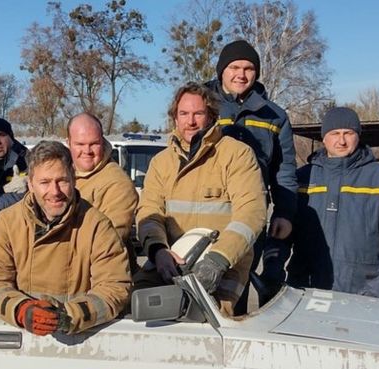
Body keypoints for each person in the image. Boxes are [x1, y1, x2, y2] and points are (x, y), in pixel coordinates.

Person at [135, 82, 266, 317]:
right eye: (183, 114)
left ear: (211, 116)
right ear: (175, 118)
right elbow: (148, 212)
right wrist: (158, 251)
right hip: (171, 259)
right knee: (138, 305)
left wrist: (218, 259)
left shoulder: (236, 155)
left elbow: (252, 212)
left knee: (204, 319)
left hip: (225, 265)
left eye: (198, 113)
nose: (190, 121)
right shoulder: (161, 162)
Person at [0, 140, 130, 336]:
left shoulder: (97, 226)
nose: (54, 192)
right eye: (45, 182)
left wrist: (66, 317)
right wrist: (21, 310)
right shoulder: (6, 224)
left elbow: (115, 288)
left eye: (62, 181)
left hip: (79, 339)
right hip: (19, 339)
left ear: (74, 179)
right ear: (30, 185)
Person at [205, 39, 298, 311]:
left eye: (248, 68)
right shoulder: (202, 104)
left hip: (250, 211)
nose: (241, 74)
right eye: (234, 67)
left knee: (236, 289)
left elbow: (284, 171)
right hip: (206, 208)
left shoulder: (274, 116)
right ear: (222, 69)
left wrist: (285, 213)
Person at [288, 107, 379, 297]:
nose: (341, 140)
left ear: (358, 135)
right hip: (304, 287)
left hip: (362, 293)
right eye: (334, 133)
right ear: (324, 138)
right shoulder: (303, 178)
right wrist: (273, 273)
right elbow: (282, 227)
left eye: (348, 133)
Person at [66, 112, 139, 268]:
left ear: (103, 141)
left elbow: (110, 241)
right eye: (80, 144)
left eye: (94, 143)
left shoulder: (118, 184)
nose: (87, 151)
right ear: (68, 143)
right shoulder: (62, 174)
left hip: (99, 274)